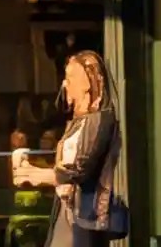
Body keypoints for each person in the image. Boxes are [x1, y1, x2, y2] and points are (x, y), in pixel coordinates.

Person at [12, 50, 122, 247]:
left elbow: (79, 169)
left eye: (70, 78)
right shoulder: (78, 121)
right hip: (68, 208)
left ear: (87, 83)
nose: (65, 84)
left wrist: (39, 175)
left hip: (86, 213)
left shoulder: (100, 120)